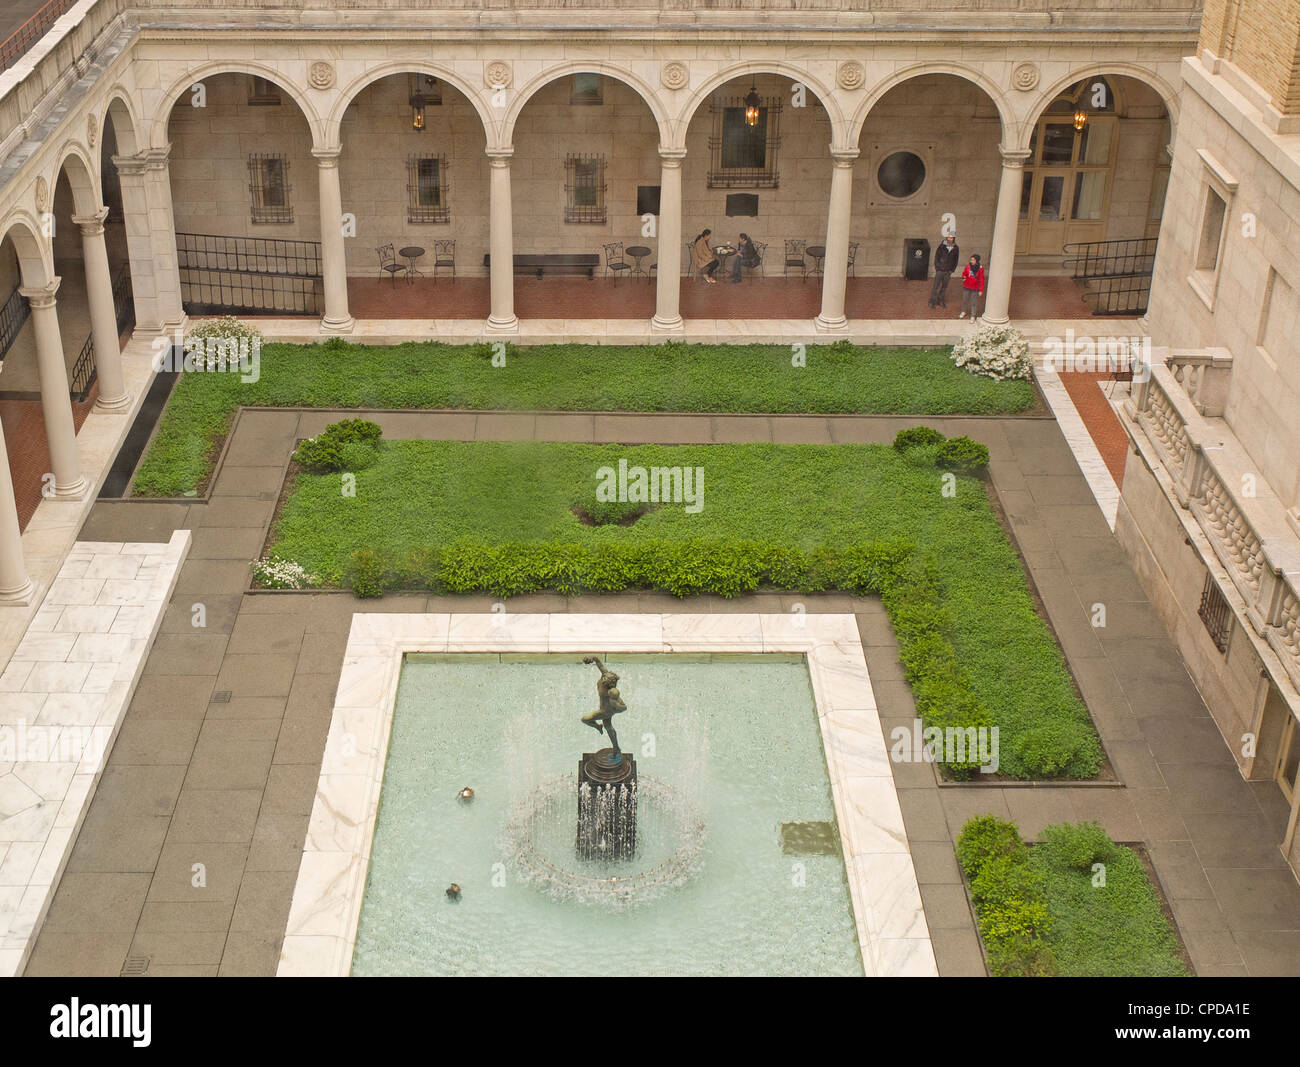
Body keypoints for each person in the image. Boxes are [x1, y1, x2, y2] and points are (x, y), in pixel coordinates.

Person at [930, 232, 958, 309]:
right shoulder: (941, 246)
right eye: (949, 237)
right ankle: (932, 301)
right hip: (940, 270)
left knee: (944, 287)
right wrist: (938, 268)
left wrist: (952, 270)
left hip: (948, 272)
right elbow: (937, 257)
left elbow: (956, 260)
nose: (950, 239)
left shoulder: (956, 248)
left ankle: (940, 301)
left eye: (951, 238)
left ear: (954, 239)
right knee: (935, 287)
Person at [960, 253, 985, 320]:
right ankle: (963, 311)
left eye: (973, 260)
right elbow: (964, 273)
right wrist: (963, 277)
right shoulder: (968, 266)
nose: (971, 261)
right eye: (971, 260)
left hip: (975, 288)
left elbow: (982, 279)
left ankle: (973, 315)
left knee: (974, 302)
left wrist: (981, 290)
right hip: (967, 286)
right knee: (965, 300)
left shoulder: (980, 268)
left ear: (977, 261)